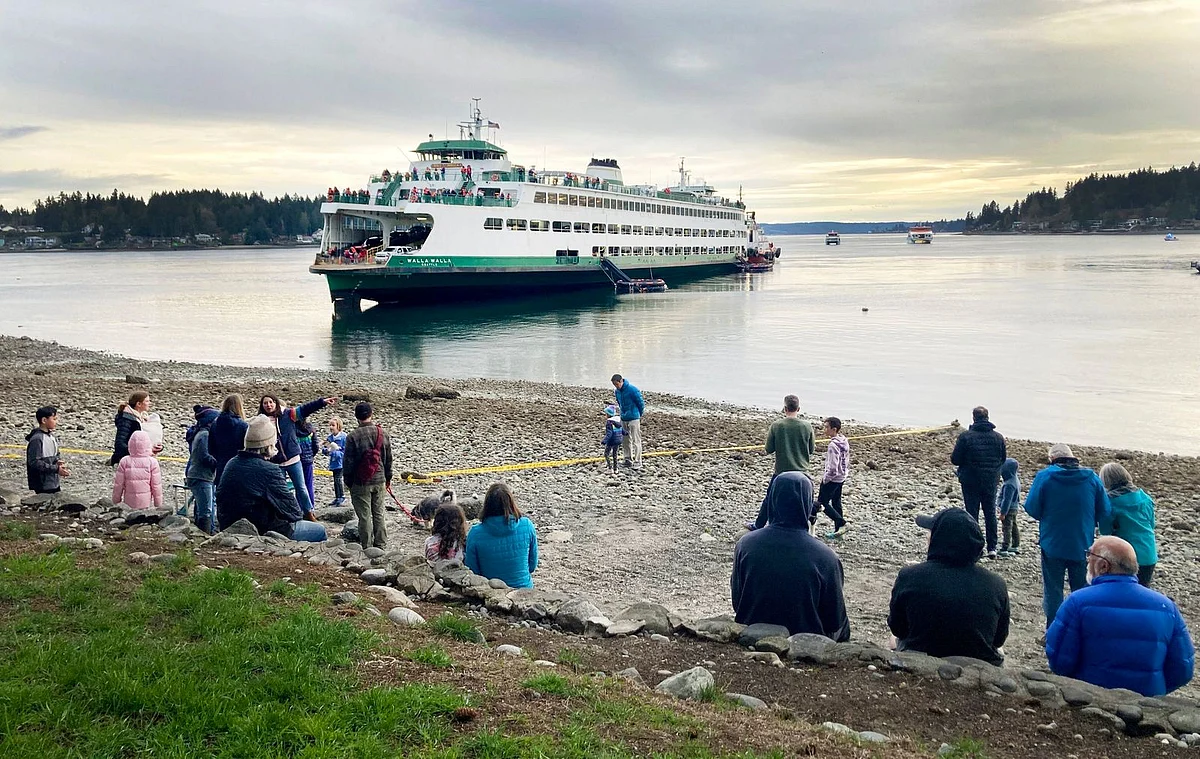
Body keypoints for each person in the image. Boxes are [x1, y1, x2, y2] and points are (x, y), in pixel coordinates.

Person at [1046, 536, 1193, 696]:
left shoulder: (1077, 602)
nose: (1087, 562)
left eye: (1090, 556)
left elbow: (1059, 660)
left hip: (1090, 698)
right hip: (1148, 702)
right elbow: (1183, 668)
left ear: (1103, 566)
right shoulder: (1166, 607)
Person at [731, 472, 851, 640]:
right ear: (807, 504)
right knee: (843, 624)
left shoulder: (745, 545)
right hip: (806, 638)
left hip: (752, 629)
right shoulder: (826, 557)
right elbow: (834, 620)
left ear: (772, 500)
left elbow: (737, 602)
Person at [888, 508, 1010, 665]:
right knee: (999, 651)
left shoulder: (910, 575)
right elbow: (999, 639)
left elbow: (898, 629)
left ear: (938, 539)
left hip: (922, 659)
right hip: (978, 663)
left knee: (893, 640)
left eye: (931, 532)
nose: (927, 536)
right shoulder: (996, 584)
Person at [1023, 442, 1111, 628]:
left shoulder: (1045, 476)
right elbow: (1105, 510)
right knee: (1081, 588)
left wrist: (1047, 517)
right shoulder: (1091, 478)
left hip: (1052, 541)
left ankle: (1053, 628)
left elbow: (1031, 507)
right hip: (1081, 541)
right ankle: (1081, 626)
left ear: (1052, 459)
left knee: (1053, 589)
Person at [215, 415, 326, 542]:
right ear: (269, 444)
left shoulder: (232, 462)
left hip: (228, 523)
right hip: (263, 528)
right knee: (320, 530)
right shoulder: (269, 469)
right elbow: (293, 511)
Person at [257, 394, 337, 517]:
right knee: (280, 491)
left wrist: (322, 402)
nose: (268, 405)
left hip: (293, 459)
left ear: (276, 403)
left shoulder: (288, 414)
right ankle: (283, 515)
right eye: (265, 403)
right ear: (262, 406)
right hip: (275, 462)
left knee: (301, 488)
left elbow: (306, 409)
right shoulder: (261, 421)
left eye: (271, 402)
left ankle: (309, 513)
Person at [950, 406, 1007, 558]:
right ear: (987, 417)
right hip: (990, 480)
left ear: (974, 418)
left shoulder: (966, 437)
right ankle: (992, 547)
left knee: (971, 513)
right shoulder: (998, 437)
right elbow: (1003, 459)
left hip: (970, 479)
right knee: (990, 513)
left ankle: (974, 547)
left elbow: (955, 459)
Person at [752, 394, 814, 530]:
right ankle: (804, 528)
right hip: (801, 471)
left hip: (782, 471)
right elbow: (811, 449)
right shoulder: (807, 426)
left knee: (770, 498)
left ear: (785, 408)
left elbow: (769, 449)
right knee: (803, 500)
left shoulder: (777, 425)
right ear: (798, 408)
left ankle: (759, 525)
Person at [464, 482, 539, 588]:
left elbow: (473, 570)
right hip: (524, 590)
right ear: (511, 502)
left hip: (490, 591)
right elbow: (532, 565)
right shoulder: (527, 525)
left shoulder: (475, 533)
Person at [342, 402, 393, 550]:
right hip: (380, 479)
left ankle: (367, 546)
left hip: (360, 482)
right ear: (371, 414)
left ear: (356, 416)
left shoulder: (352, 436)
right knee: (379, 513)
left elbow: (348, 463)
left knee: (364, 516)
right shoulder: (383, 433)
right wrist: (388, 478)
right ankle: (381, 544)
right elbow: (388, 459)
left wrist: (348, 482)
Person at [1098, 462, 1158, 586]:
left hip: (1124, 555)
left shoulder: (1110, 502)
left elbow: (1105, 531)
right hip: (1148, 552)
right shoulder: (1145, 498)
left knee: (1120, 592)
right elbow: (1151, 524)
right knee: (1141, 591)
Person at [185, 405, 220, 534]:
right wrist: (219, 463)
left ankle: (208, 531)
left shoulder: (200, 433)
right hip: (201, 476)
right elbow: (204, 456)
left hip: (203, 476)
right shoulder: (204, 435)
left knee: (205, 507)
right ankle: (204, 533)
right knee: (206, 510)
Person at [112, 430, 164, 510]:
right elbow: (156, 485)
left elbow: (118, 484)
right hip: (145, 501)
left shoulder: (124, 461)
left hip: (128, 501)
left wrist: (116, 500)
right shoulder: (152, 462)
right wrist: (158, 503)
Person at [817, 416, 850, 539]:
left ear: (834, 429)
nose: (824, 430)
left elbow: (832, 467)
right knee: (836, 502)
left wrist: (826, 479)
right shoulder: (844, 440)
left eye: (826, 427)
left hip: (833, 478)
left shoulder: (833, 446)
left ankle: (842, 523)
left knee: (822, 503)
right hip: (842, 476)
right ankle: (838, 530)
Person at [109, 391, 163, 465]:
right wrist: (144, 451)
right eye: (147, 401)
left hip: (140, 456)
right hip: (126, 459)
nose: (149, 403)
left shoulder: (143, 417)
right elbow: (120, 444)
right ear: (139, 404)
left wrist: (158, 447)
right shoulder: (126, 420)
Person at [25, 405, 68, 494]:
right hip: (42, 484)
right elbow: (35, 462)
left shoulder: (51, 437)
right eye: (54, 419)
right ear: (44, 420)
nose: (57, 422)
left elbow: (56, 454)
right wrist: (56, 469)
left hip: (53, 482)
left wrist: (57, 462)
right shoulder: (37, 439)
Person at [208, 393, 248, 486]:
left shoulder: (215, 423)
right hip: (238, 467)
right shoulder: (242, 425)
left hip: (221, 465)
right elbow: (245, 447)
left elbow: (211, 448)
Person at [611, 373, 645, 470]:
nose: (616, 386)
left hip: (634, 418)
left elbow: (640, 403)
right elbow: (619, 402)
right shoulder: (617, 392)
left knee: (636, 440)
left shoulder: (632, 390)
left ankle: (638, 461)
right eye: (614, 385)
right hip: (624, 418)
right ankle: (627, 459)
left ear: (621, 381)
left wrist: (638, 414)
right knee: (625, 440)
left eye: (617, 384)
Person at [996, 458, 1022, 556]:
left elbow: (1007, 500)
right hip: (1015, 508)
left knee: (1006, 528)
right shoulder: (1016, 480)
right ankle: (1015, 545)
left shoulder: (1009, 484)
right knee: (1014, 526)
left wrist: (1003, 513)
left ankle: (1005, 547)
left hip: (1008, 509)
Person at [295, 415, 320, 510]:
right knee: (309, 484)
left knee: (298, 485)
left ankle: (300, 507)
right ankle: (311, 507)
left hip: (297, 460)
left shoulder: (294, 430)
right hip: (308, 460)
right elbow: (316, 446)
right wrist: (311, 455)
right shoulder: (311, 429)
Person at [323, 417, 348, 506]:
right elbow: (325, 448)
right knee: (335, 480)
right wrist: (326, 450)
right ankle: (337, 497)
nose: (331, 427)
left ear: (338, 426)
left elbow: (346, 451)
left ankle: (341, 496)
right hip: (333, 462)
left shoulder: (344, 437)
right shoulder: (330, 438)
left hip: (341, 463)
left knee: (338, 479)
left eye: (333, 425)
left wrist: (336, 451)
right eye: (330, 425)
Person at [602, 405, 623, 475]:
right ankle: (616, 468)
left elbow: (609, 433)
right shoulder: (618, 420)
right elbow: (621, 429)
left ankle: (610, 468)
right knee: (615, 454)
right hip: (619, 439)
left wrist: (605, 440)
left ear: (608, 414)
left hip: (611, 440)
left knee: (606, 454)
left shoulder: (609, 422)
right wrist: (625, 433)